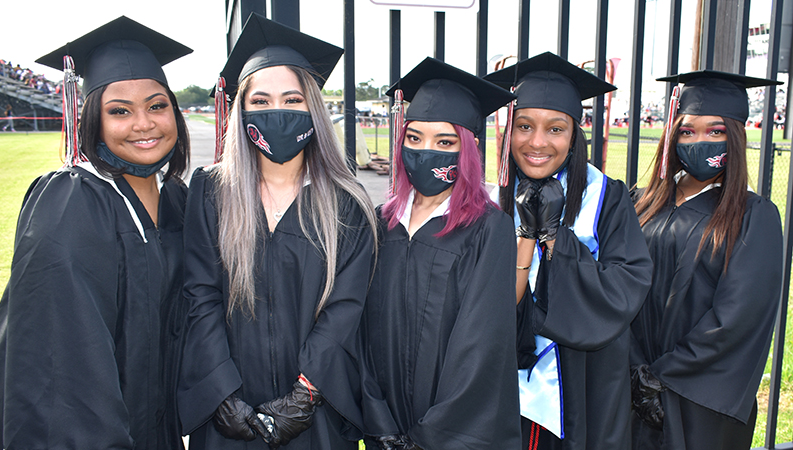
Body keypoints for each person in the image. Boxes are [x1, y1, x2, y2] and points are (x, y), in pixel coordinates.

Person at [177, 13, 377, 450]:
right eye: (261, 102)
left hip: (316, 412)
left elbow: (347, 307)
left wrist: (306, 394)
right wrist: (221, 391)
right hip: (231, 409)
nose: (277, 113)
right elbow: (201, 294)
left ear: (313, 109)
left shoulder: (347, 201)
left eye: (292, 100)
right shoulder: (211, 192)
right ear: (241, 109)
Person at [0, 16, 192, 449]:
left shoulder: (178, 199)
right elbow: (61, 365)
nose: (144, 124)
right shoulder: (70, 203)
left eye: (157, 106)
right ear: (92, 121)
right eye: (119, 111)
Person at [484, 52, 653, 450]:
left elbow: (627, 284)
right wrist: (526, 236)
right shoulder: (492, 201)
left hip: (585, 379)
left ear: (575, 134)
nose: (537, 142)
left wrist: (559, 241)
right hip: (507, 381)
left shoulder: (606, 196)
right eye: (524, 126)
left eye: (555, 129)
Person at [359, 56, 520, 450]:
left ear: (468, 149)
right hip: (385, 424)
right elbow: (357, 328)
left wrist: (429, 437)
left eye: (444, 142)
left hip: (452, 431)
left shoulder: (489, 228)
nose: (426, 151)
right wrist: (378, 421)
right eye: (414, 139)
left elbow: (482, 346)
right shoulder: (380, 224)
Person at [630, 71, 784, 450]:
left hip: (696, 395)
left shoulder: (753, 216)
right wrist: (633, 370)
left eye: (715, 132)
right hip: (626, 384)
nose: (700, 141)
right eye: (687, 132)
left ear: (735, 136)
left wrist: (661, 377)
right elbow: (615, 285)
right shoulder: (642, 202)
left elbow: (735, 319)